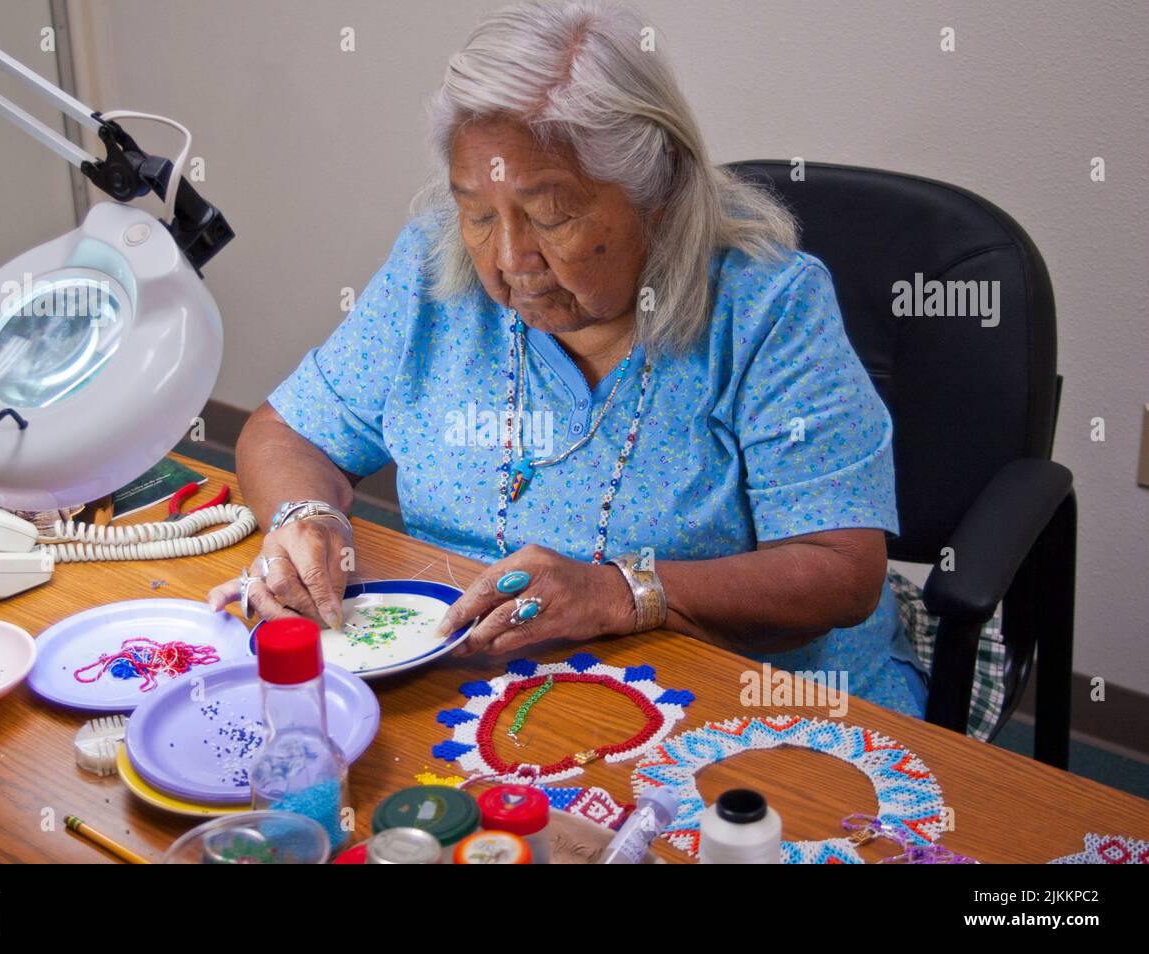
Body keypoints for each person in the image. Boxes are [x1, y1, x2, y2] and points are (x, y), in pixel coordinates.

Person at [209, 1, 927, 716]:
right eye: (480, 213)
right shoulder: (433, 267)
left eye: (552, 215)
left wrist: (616, 592)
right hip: (468, 688)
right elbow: (287, 433)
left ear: (661, 192)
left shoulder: (768, 306)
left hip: (733, 699)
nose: (511, 259)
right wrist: (305, 517)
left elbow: (839, 571)